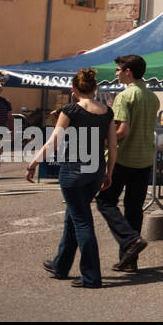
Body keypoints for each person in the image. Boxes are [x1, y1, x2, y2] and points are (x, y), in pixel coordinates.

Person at [26, 68, 117, 288]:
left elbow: (53, 142)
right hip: (96, 171)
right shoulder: (107, 112)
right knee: (74, 215)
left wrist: (34, 162)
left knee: (82, 222)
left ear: (74, 89)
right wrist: (109, 171)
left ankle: (91, 276)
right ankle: (61, 265)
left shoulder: (70, 110)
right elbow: (113, 145)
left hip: (74, 171)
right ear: (95, 88)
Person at [95, 54, 158, 273]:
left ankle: (130, 240)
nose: (116, 73)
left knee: (105, 201)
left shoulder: (124, 96)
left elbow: (122, 131)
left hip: (123, 159)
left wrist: (103, 142)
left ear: (128, 72)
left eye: (119, 70)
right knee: (134, 208)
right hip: (144, 158)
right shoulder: (152, 97)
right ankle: (129, 261)